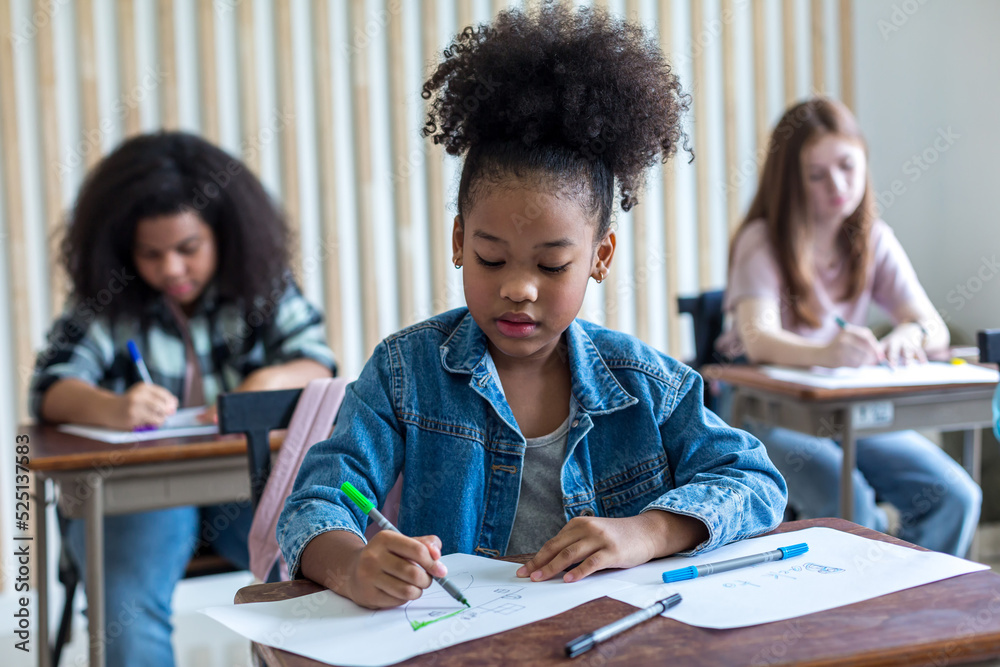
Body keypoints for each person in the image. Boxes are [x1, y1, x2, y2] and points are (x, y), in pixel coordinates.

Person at [279, 4, 786, 611]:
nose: (519, 288)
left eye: (551, 266)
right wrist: (353, 564)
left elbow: (755, 482)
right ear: (460, 242)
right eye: (493, 259)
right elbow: (314, 500)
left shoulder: (649, 385)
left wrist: (648, 531)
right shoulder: (404, 373)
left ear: (600, 256)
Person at [30, 131, 336, 666]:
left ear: (223, 235)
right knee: (127, 606)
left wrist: (264, 385)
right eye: (151, 254)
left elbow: (318, 363)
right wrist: (112, 408)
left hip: (246, 481)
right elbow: (51, 388)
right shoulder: (107, 303)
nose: (171, 269)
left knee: (311, 576)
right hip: (142, 491)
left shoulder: (261, 285)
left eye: (187, 249)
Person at [716, 98, 980, 556]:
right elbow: (758, 340)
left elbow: (929, 325)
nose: (836, 185)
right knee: (853, 507)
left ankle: (909, 610)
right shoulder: (762, 241)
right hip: (769, 412)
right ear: (791, 181)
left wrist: (908, 335)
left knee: (955, 497)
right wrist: (826, 352)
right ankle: (871, 615)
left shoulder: (873, 238)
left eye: (847, 165)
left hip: (849, 408)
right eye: (816, 175)